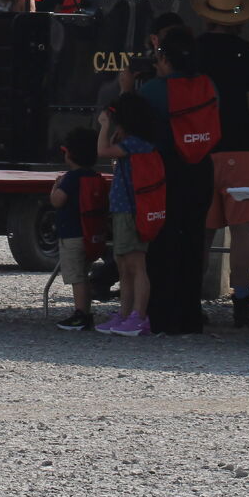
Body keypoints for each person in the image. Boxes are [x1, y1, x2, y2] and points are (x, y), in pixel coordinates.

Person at [189, 0, 249, 329]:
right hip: (244, 147)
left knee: (201, 231)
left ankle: (191, 299)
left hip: (200, 147)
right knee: (244, 230)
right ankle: (241, 302)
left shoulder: (192, 52)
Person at [135, 27, 217, 336]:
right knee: (194, 241)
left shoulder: (154, 90)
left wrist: (127, 88)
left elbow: (135, 126)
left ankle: (163, 314)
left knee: (163, 240)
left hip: (166, 168)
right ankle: (190, 315)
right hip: (201, 167)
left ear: (164, 57)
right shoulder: (208, 84)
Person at [97, 92, 156, 336]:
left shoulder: (135, 144)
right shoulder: (135, 141)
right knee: (123, 264)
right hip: (124, 210)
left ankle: (139, 315)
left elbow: (102, 150)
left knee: (136, 264)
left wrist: (104, 126)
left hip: (132, 211)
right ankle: (125, 313)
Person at [48, 126, 101, 331]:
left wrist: (55, 186)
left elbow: (57, 200)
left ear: (69, 153)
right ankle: (85, 312)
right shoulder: (94, 176)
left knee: (76, 277)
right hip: (89, 233)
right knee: (84, 275)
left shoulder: (70, 178)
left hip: (72, 235)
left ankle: (80, 314)